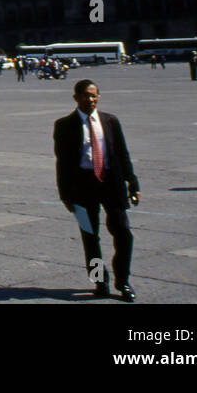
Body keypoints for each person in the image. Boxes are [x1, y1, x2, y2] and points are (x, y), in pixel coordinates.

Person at [53, 79, 140, 302]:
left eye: (94, 95)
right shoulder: (63, 125)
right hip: (82, 188)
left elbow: (122, 153)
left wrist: (133, 182)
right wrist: (65, 195)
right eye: (85, 95)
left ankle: (123, 281)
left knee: (123, 233)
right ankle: (99, 281)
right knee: (89, 237)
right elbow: (61, 163)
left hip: (112, 184)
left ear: (98, 97)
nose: (90, 100)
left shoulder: (111, 121)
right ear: (76, 98)